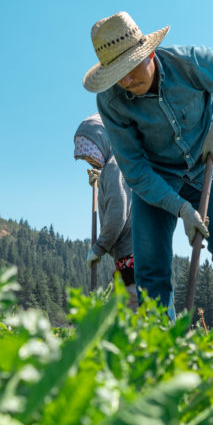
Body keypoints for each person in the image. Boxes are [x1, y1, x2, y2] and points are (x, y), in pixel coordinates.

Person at [83, 11, 213, 357]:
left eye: (131, 67)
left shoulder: (189, 62)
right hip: (155, 180)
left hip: (207, 167)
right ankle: (164, 348)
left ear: (149, 53)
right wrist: (182, 209)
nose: (126, 81)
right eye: (117, 75)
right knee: (150, 267)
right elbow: (135, 171)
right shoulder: (111, 102)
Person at [73, 113, 136, 299]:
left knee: (136, 312)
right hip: (134, 253)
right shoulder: (120, 161)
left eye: (91, 154)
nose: (90, 161)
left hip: (132, 255)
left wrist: (99, 247)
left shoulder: (114, 166)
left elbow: (117, 213)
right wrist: (101, 181)